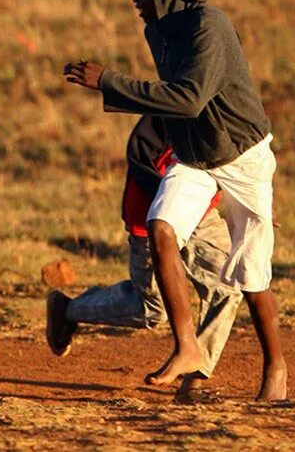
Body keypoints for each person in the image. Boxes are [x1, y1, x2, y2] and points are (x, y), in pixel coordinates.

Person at [63, 0, 287, 401]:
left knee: (250, 273)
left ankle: (275, 365)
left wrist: (107, 81)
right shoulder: (160, 30)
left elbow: (187, 98)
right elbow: (173, 102)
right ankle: (186, 346)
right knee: (161, 228)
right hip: (196, 155)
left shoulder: (210, 25)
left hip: (243, 157)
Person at [46, 116, 241, 401]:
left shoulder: (229, 102)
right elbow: (140, 154)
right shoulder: (170, 102)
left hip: (203, 213)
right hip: (151, 214)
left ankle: (194, 378)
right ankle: (67, 310)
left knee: (226, 286)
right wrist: (173, 203)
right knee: (152, 310)